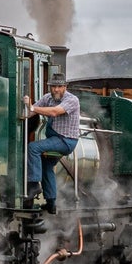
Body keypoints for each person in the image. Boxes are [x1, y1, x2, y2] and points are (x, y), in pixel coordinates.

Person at [27, 75, 82, 213]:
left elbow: (54, 112)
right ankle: (51, 203)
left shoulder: (72, 100)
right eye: (53, 86)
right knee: (46, 166)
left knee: (33, 147)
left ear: (65, 87)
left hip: (66, 140)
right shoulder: (47, 98)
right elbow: (31, 112)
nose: (56, 89)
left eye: (59, 86)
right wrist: (25, 111)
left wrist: (32, 108)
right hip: (54, 138)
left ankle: (33, 185)